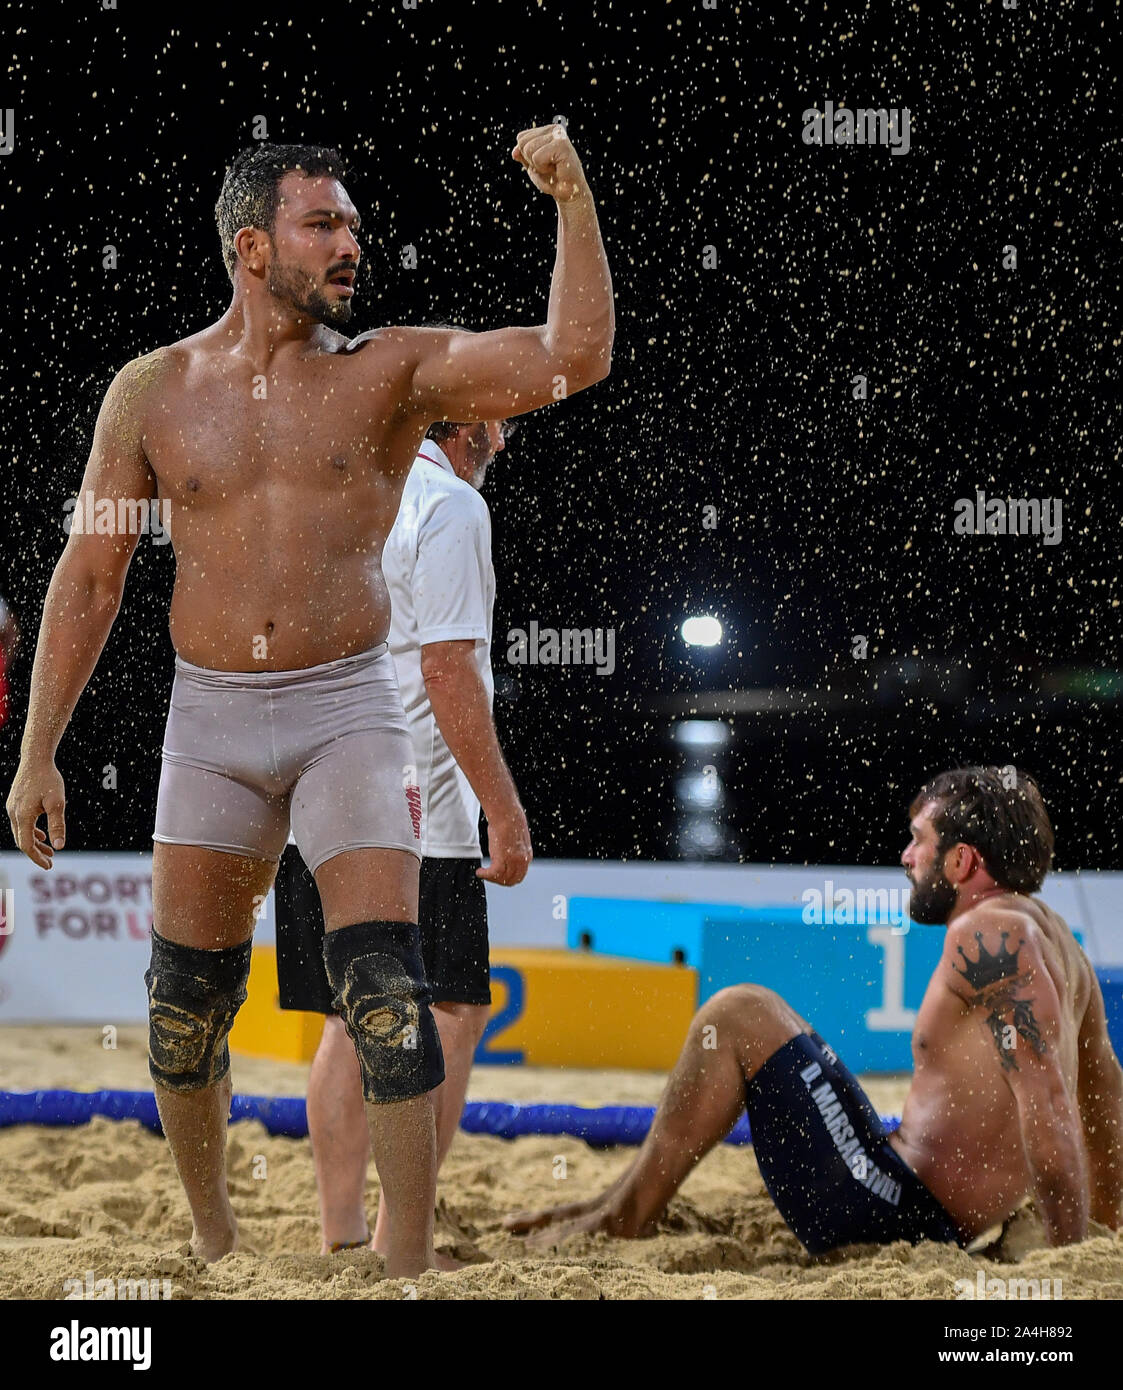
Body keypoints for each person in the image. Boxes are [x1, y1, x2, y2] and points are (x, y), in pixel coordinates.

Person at [6, 130, 613, 1278]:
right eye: (321, 224)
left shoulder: (389, 370)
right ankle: (215, 1237)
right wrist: (39, 751)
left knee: (386, 993)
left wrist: (572, 202)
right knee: (183, 1011)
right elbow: (90, 576)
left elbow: (572, 355)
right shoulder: (152, 392)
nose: (351, 243)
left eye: (352, 224)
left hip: (345, 709)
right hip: (213, 719)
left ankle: (407, 1263)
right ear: (251, 246)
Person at [506, 768, 1123, 1253]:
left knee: (738, 1011)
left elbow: (1049, 1106)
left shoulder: (992, 937)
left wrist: (1062, 1258)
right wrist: (1106, 1228)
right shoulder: (1061, 942)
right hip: (908, 1193)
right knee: (769, 1014)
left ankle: (624, 1215)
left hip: (897, 1211)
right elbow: (1106, 1102)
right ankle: (618, 1203)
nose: (907, 858)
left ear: (961, 862)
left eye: (919, 842)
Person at [274, 416, 531, 1259]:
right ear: (461, 428)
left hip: (315, 784)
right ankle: (398, 1239)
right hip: (422, 805)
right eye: (497, 420)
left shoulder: (337, 488)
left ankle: (341, 1237)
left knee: (350, 1017)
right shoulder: (449, 506)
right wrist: (504, 805)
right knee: (450, 1008)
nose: (506, 439)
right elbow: (447, 669)